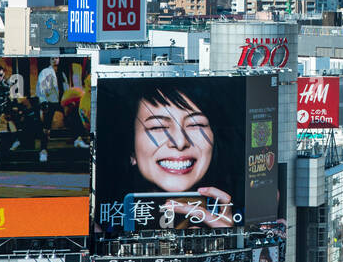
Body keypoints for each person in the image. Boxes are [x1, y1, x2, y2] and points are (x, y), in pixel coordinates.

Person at [100, 80, 241, 230]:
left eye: (196, 124)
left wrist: (229, 241)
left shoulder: (250, 221)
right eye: (158, 126)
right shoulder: (101, 228)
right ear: (131, 148)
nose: (180, 142)